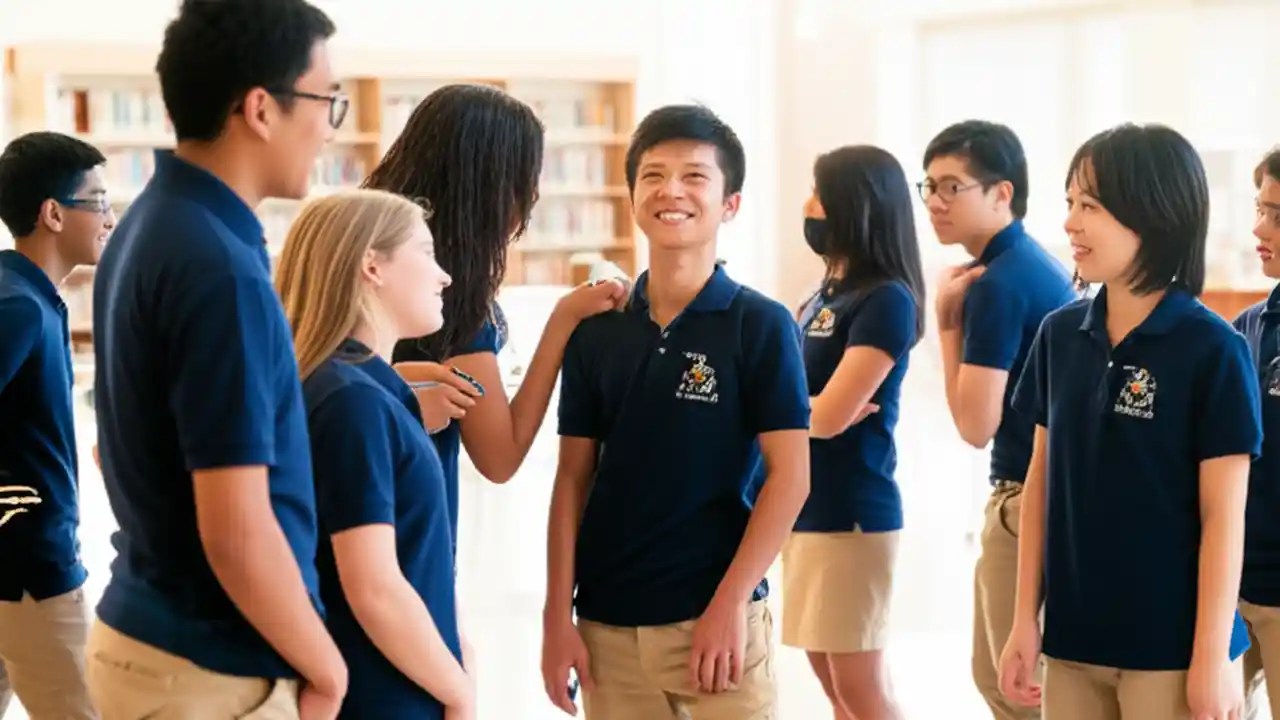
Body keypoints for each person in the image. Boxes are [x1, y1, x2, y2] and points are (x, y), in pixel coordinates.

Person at [88, 1, 348, 717]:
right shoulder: (217, 266)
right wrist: (327, 669)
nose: (330, 129)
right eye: (327, 102)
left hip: (150, 635)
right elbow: (235, 530)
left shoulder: (153, 222)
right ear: (261, 108)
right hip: (207, 670)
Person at [540, 104, 811, 720]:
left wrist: (729, 604)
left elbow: (791, 478)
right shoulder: (597, 330)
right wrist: (558, 616)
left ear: (729, 204)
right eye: (654, 175)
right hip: (607, 629)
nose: (672, 191)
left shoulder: (760, 325)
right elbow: (571, 481)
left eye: (695, 176)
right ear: (633, 195)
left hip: (716, 626)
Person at [1000, 123, 1261, 719]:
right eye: (1069, 203)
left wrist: (1208, 659)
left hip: (1170, 650)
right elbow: (1041, 481)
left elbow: (1225, 518)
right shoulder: (1059, 335)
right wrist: (1024, 620)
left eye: (1090, 205)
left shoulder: (1212, 348)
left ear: (1154, 214)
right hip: (1073, 639)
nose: (1070, 222)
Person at [362, 84, 626, 547]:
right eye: (526, 179)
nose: (532, 198)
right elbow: (500, 456)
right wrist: (562, 322)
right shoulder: (452, 299)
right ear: (491, 186)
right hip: (407, 536)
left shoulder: (359, 254)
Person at [276, 189, 475, 719]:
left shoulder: (361, 387)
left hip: (401, 681)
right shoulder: (351, 401)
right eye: (426, 252)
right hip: (382, 695)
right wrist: (459, 692)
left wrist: (458, 650)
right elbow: (375, 588)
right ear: (372, 266)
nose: (444, 276)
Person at [921, 119, 1076, 720]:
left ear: (1002, 193)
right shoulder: (1034, 264)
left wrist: (946, 321)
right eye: (928, 186)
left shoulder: (995, 285)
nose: (935, 201)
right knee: (1002, 678)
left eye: (951, 186)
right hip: (1047, 494)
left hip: (1023, 498)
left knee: (1015, 688)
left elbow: (973, 424)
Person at [784, 145, 925, 720]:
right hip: (804, 507)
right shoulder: (821, 295)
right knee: (831, 681)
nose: (810, 204)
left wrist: (795, 412)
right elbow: (803, 409)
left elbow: (829, 416)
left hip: (852, 511)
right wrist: (800, 410)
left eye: (821, 190)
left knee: (860, 688)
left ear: (857, 204)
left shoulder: (886, 299)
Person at [0, 131, 113, 720]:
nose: (109, 217)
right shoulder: (17, 304)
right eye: (97, 200)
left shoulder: (27, 294)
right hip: (31, 570)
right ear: (52, 213)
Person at [1238, 146, 1280, 720]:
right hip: (1234, 590)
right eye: (1260, 208)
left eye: (1276, 214)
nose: (1258, 226)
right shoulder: (1246, 327)